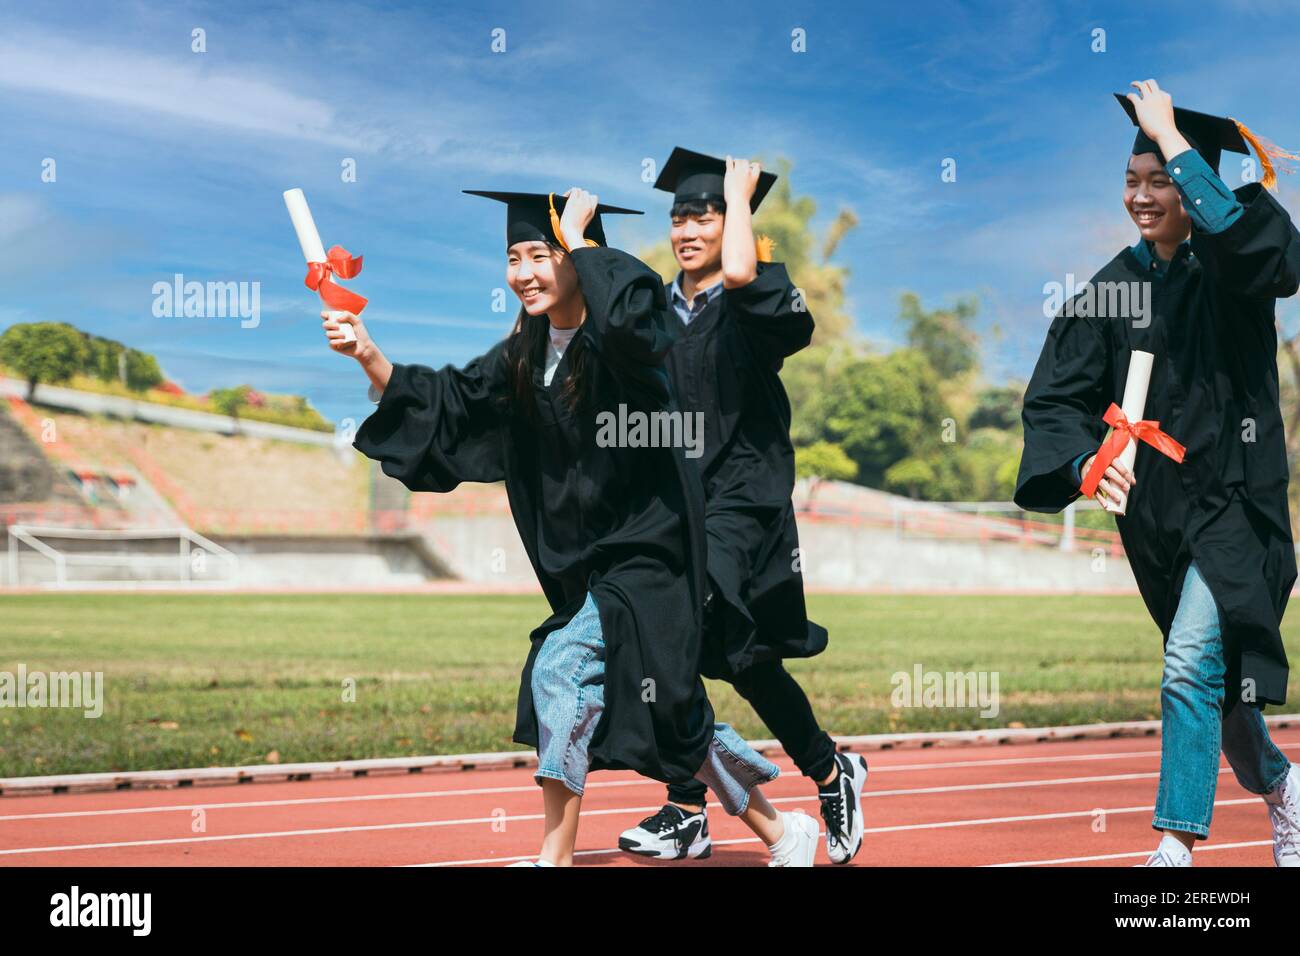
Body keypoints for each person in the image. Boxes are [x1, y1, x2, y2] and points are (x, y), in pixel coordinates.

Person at [329, 186, 820, 866]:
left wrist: (586, 238)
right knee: (669, 709)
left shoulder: (626, 344)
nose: (523, 272)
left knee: (558, 670)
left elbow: (631, 320)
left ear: (579, 262)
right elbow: (454, 405)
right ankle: (782, 830)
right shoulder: (526, 352)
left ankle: (552, 859)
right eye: (513, 257)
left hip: (655, 554)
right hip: (593, 562)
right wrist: (367, 354)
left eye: (541, 255)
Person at [1015, 80, 1300, 867]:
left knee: (1184, 663)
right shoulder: (1109, 290)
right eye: (1133, 180)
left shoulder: (1238, 255)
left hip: (1237, 504)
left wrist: (1172, 134)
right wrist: (1084, 465)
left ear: (1192, 178)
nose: (1142, 196)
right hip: (1158, 520)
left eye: (1161, 178)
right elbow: (1054, 401)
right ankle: (1285, 792)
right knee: (1222, 694)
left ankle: (1173, 847)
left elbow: (1260, 253)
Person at [616, 148, 868, 865]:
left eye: (705, 214)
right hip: (677, 505)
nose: (687, 227)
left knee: (672, 629)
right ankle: (829, 769)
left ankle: (684, 805)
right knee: (743, 660)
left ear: (734, 222)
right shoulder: (654, 313)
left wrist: (741, 197)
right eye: (679, 216)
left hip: (743, 501)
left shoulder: (758, 291)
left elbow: (747, 279)